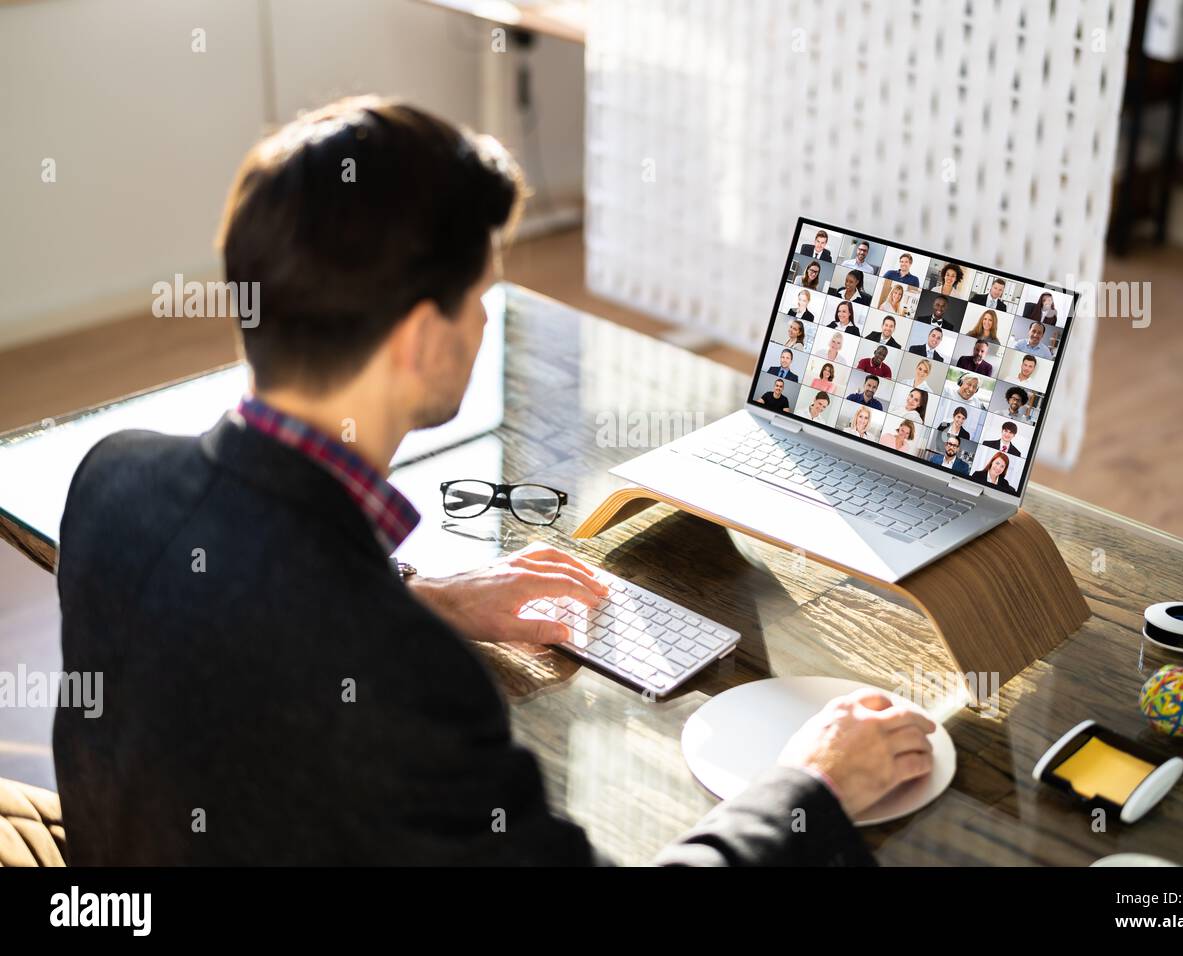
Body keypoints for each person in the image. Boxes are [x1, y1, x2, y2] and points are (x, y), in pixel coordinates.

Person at [54, 98, 936, 866]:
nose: (484, 321)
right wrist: (811, 788)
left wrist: (423, 596)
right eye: (479, 295)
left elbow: (262, 606)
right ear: (420, 340)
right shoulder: (408, 681)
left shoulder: (112, 483)